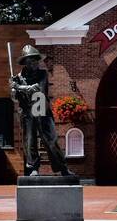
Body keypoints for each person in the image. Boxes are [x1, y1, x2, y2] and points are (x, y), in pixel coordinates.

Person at [10, 44, 72, 177]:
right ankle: (33, 168)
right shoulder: (18, 78)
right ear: (25, 62)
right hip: (27, 112)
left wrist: (19, 87)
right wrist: (13, 90)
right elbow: (15, 99)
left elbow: (37, 89)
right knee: (29, 140)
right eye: (31, 60)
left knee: (51, 139)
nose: (34, 63)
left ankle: (62, 168)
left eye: (36, 60)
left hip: (41, 109)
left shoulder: (42, 74)